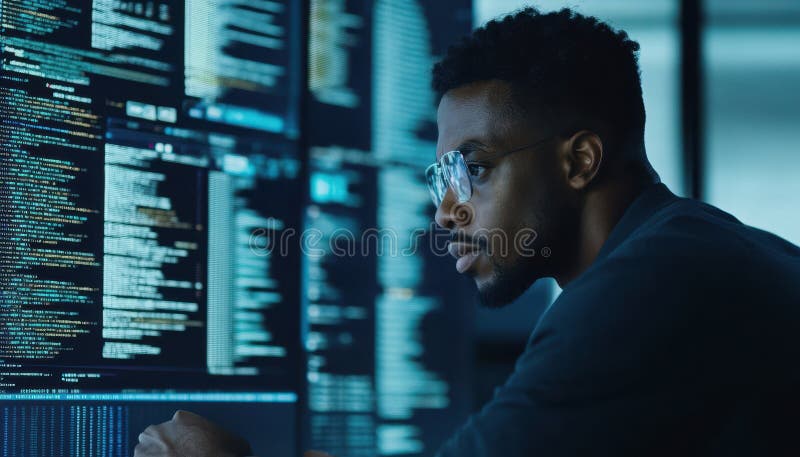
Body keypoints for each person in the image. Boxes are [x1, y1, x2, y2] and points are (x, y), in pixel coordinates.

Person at [134, 7, 800, 457]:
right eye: (441, 178)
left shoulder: (647, 289)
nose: (445, 212)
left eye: (475, 169)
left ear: (580, 160)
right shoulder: (695, 249)